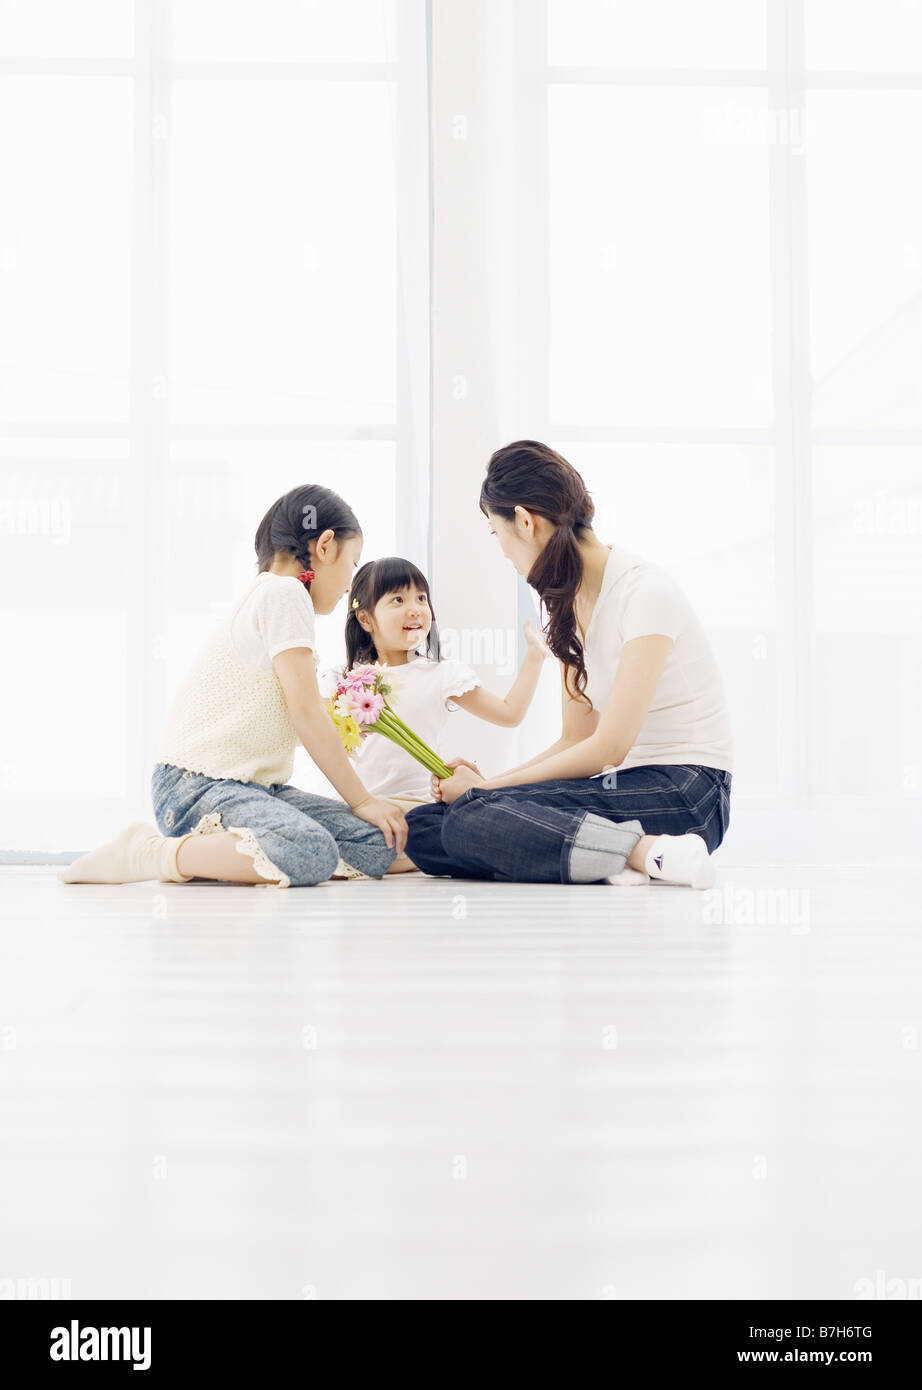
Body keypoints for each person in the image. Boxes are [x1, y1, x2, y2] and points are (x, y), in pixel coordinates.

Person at [404, 441, 733, 888]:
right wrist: (493, 784)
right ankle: (624, 856)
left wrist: (487, 793)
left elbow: (608, 748)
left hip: (688, 793)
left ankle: (637, 853)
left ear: (524, 521)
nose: (501, 551)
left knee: (470, 816)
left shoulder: (645, 593)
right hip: (622, 785)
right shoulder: (566, 606)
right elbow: (576, 738)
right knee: (424, 827)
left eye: (494, 532)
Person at [58, 485, 405, 888]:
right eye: (353, 563)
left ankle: (227, 855)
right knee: (310, 849)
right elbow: (306, 715)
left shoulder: (274, 596)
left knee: (376, 844)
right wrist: (362, 800)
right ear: (325, 546)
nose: (350, 584)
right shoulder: (284, 592)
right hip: (196, 786)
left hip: (256, 789)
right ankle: (149, 853)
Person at [337, 555, 551, 814]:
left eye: (421, 598)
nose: (415, 609)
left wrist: (534, 656)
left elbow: (509, 713)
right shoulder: (346, 679)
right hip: (363, 806)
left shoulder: (441, 673)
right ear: (365, 619)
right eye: (398, 599)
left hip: (419, 806)